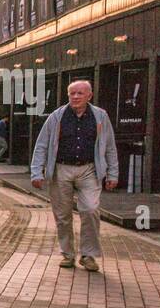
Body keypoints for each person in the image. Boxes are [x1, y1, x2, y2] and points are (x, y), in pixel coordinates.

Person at [30, 79, 119, 272]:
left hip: (89, 170)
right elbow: (41, 146)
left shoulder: (100, 116)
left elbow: (110, 147)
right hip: (61, 169)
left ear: (89, 95)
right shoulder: (56, 117)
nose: (76, 97)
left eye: (80, 93)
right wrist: (36, 172)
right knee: (62, 215)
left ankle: (88, 255)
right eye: (72, 93)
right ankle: (67, 254)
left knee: (90, 209)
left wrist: (113, 173)